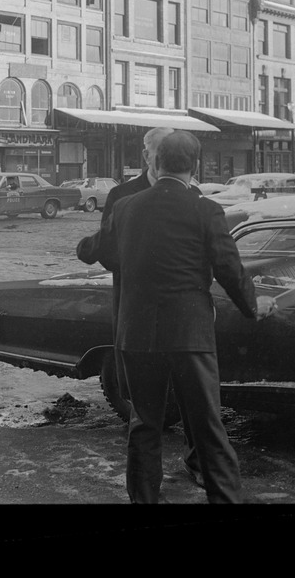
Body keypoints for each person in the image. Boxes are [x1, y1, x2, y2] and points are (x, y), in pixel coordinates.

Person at [92, 130, 276, 504]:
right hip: (189, 335)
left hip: (137, 335)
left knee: (144, 426)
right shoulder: (205, 208)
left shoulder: (126, 207)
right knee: (208, 429)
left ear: (156, 163)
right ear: (196, 166)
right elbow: (228, 268)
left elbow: (106, 254)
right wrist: (254, 306)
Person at [77, 127, 203, 480]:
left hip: (181, 314)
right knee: (146, 407)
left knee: (191, 395)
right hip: (140, 309)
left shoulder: (191, 192)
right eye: (161, 151)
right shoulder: (122, 195)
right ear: (148, 155)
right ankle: (147, 484)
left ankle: (195, 464)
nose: (168, 159)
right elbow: (108, 253)